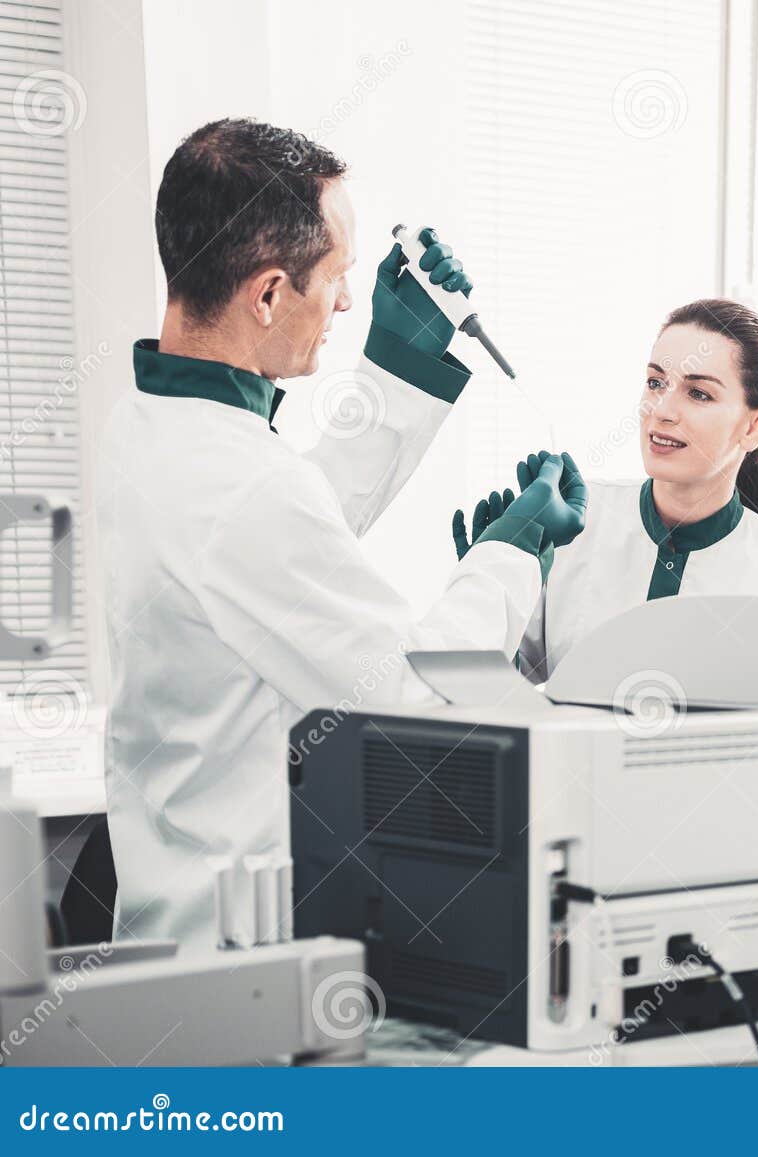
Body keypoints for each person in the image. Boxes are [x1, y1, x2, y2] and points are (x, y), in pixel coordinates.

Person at [100, 118, 584, 952]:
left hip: (167, 919)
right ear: (267, 294)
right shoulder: (243, 484)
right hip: (242, 960)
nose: (350, 301)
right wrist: (510, 555)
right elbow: (413, 694)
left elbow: (271, 552)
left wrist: (400, 368)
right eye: (336, 278)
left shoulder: (147, 421)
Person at [453, 298, 758, 678]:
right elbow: (505, 701)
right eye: (656, 383)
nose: (661, 410)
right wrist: (490, 592)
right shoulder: (569, 524)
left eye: (698, 393)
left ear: (755, 427)